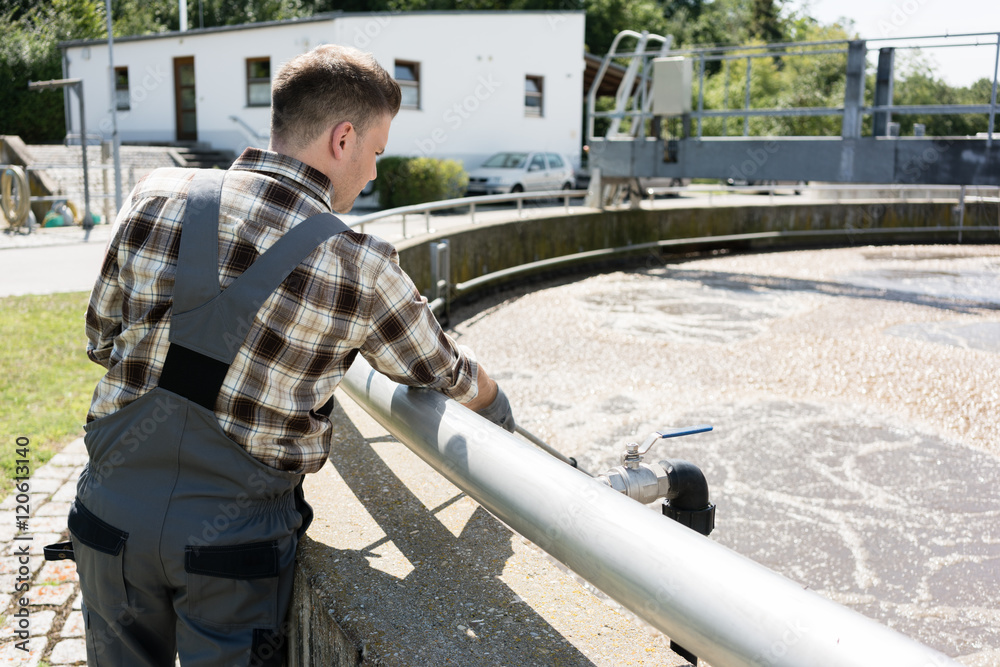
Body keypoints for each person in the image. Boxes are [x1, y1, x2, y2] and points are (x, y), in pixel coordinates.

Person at [46, 44, 515, 666]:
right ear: (343, 139)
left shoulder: (156, 194)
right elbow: (442, 369)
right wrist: (498, 406)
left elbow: (101, 340)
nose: (373, 173)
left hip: (110, 521)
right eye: (375, 152)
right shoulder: (360, 262)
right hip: (233, 551)